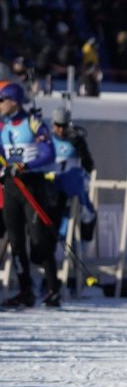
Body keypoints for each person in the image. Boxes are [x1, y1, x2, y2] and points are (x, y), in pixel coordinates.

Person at [0, 82, 62, 308]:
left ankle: (53, 288)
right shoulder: (3, 127)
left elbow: (49, 154)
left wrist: (25, 166)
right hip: (11, 187)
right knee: (15, 242)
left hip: (32, 185)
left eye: (1, 101)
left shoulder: (33, 123)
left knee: (39, 240)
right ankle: (25, 290)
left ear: (13, 102)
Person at [49, 107, 97, 243]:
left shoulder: (76, 141)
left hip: (71, 185)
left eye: (64, 126)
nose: (60, 130)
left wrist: (80, 148)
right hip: (52, 185)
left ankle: (85, 229)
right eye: (57, 126)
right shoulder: (48, 140)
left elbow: (89, 166)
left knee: (85, 209)